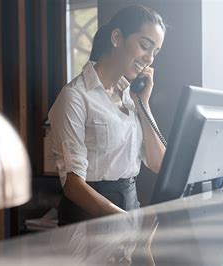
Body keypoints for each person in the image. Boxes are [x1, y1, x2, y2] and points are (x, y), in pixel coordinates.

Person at [48, 4, 167, 225]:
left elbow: (159, 163)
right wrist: (126, 220)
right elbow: (73, 185)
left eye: (155, 52)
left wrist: (143, 103)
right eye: (145, 45)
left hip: (129, 206)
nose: (149, 58)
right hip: (89, 218)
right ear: (116, 38)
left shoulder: (131, 96)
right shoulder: (75, 96)